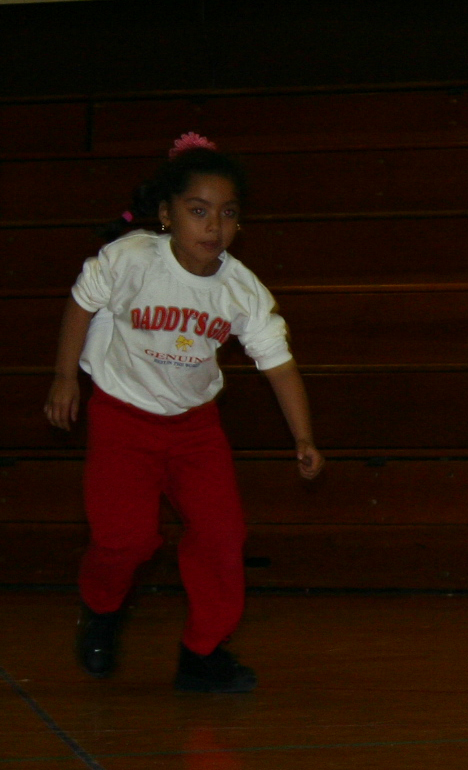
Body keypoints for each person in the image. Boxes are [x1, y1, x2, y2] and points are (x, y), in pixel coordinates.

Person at [45, 133, 324, 694]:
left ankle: (202, 653)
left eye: (228, 213)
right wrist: (64, 377)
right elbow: (81, 303)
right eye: (199, 211)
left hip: (195, 429)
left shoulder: (240, 290)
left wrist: (304, 437)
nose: (213, 226)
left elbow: (279, 365)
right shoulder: (132, 259)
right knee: (125, 540)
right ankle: (101, 609)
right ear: (167, 214)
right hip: (123, 418)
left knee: (222, 537)